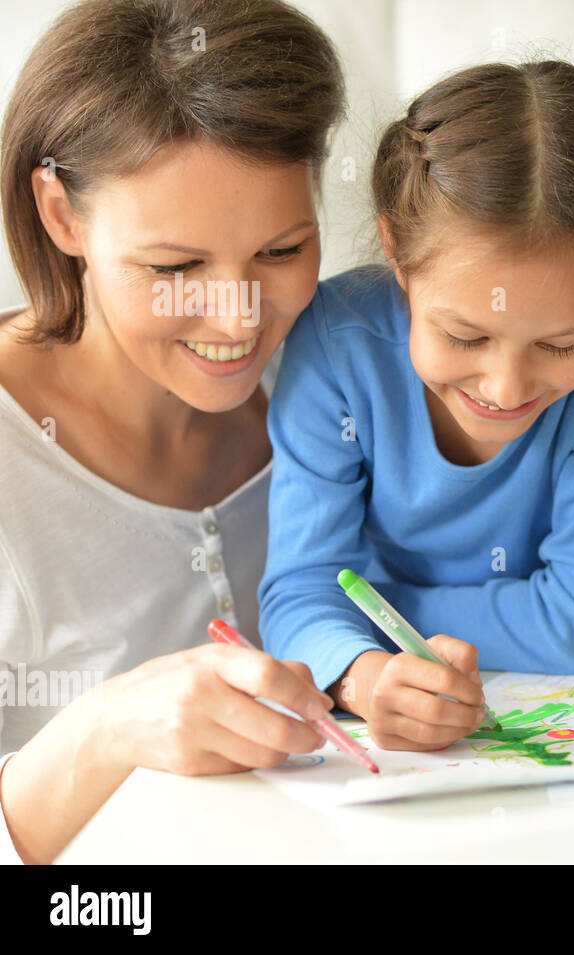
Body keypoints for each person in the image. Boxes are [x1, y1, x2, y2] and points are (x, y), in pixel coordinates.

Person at [0, 0, 345, 864]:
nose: (235, 320)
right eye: (175, 267)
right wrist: (109, 727)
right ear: (61, 214)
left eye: (281, 251)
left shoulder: (336, 389)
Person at [258, 61, 574, 752]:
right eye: (464, 336)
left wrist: (369, 606)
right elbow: (297, 592)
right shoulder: (336, 343)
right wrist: (365, 677)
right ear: (395, 249)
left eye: (560, 343)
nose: (507, 389)